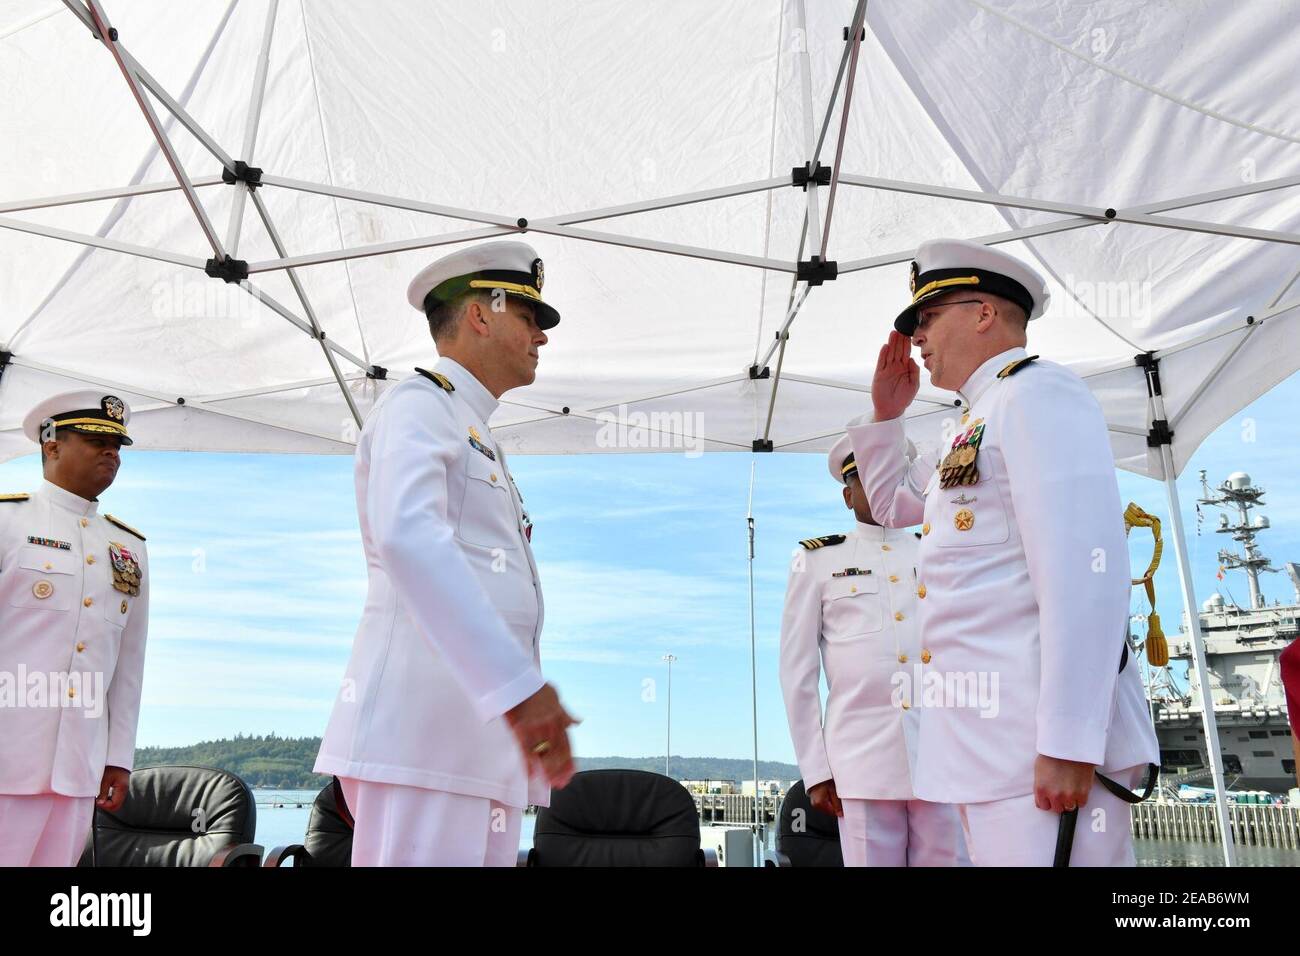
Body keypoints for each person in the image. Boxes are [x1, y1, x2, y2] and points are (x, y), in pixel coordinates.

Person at [846, 238, 1159, 866]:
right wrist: (886, 416)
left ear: (983, 313)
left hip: (1041, 748)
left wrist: (1070, 741)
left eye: (928, 318)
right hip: (986, 749)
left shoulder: (1039, 394)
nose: (917, 339)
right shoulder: (969, 421)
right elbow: (891, 508)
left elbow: (1082, 574)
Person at [315, 240, 577, 866]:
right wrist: (519, 688)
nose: (541, 337)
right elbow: (408, 537)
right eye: (528, 317)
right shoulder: (419, 404)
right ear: (481, 314)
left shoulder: (471, 426)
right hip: (424, 743)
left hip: (472, 748)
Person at [779, 434, 962, 865]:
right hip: (860, 763)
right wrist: (816, 770)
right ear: (848, 495)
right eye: (868, 480)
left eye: (890, 477)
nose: (881, 489)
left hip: (942, 754)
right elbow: (796, 673)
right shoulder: (817, 560)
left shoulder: (935, 550)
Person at [0, 391, 148, 866]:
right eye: (95, 438)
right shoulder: (7, 521)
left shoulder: (127, 546)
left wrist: (118, 756)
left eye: (118, 444)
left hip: (79, 767)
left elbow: (129, 663)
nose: (111, 452)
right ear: (51, 445)